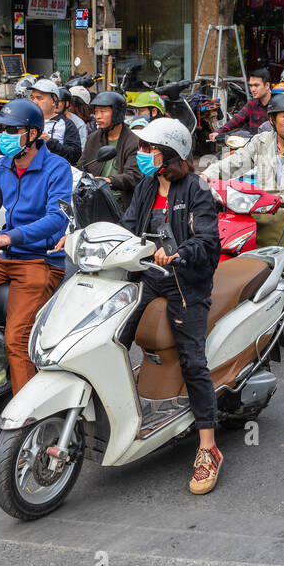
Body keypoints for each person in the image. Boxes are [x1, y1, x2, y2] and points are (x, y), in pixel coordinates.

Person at [118, 118, 224, 494]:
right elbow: (128, 228)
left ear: (171, 154)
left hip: (186, 285)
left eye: (150, 149)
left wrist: (177, 253)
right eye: (142, 148)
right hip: (149, 280)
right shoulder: (146, 187)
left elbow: (209, 241)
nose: (142, 155)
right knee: (114, 336)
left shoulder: (196, 189)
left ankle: (208, 448)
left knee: (193, 361)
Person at [203, 91, 284, 355]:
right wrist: (205, 177)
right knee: (242, 255)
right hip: (267, 211)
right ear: (273, 120)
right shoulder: (261, 142)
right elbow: (234, 163)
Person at [0, 99, 71, 394]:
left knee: (16, 338)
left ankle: (26, 418)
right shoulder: (2, 167)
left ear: (32, 134)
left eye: (11, 130)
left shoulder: (57, 168)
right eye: (1, 129)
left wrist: (10, 236)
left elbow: (57, 219)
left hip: (39, 262)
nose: (3, 135)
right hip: (4, 259)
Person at [77, 90, 144, 210]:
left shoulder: (133, 141)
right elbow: (81, 166)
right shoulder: (93, 138)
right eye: (96, 111)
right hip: (94, 200)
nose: (97, 116)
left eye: (103, 111)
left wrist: (108, 181)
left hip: (121, 203)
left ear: (117, 113)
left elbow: (133, 176)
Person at [28, 78, 83, 165]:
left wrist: (50, 142)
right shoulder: (25, 121)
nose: (34, 102)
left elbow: (75, 155)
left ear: (54, 100)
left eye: (39, 98)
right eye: (32, 98)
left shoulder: (66, 124)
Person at [211, 68, 272, 139]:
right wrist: (218, 132)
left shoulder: (278, 104)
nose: (252, 89)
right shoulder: (252, 103)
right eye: (251, 86)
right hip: (254, 146)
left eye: (256, 85)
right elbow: (237, 119)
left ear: (267, 85)